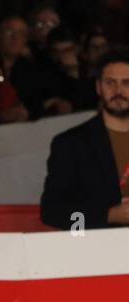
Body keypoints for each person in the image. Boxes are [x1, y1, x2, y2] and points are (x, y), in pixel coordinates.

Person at [40, 50, 129, 230]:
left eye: (127, 83)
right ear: (98, 87)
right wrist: (108, 215)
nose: (118, 91)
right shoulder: (70, 144)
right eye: (110, 83)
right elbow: (52, 213)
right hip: (96, 251)